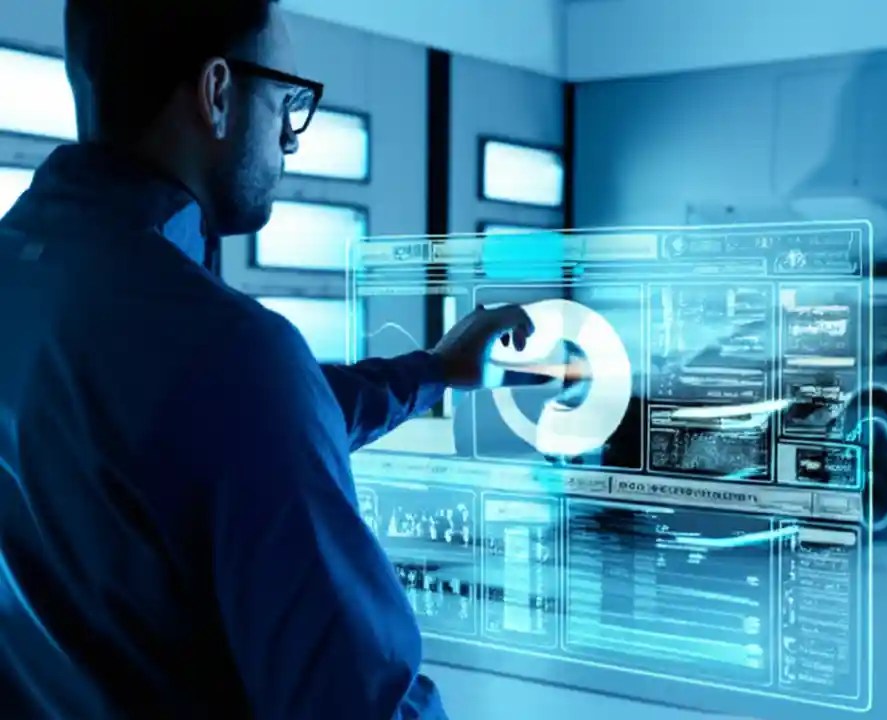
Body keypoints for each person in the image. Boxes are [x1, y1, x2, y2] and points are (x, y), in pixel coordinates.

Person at [0, 1, 532, 717]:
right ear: (218, 93)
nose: (292, 136)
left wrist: (432, 370)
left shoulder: (30, 276)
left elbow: (228, 432)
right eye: (288, 100)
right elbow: (352, 702)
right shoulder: (220, 350)